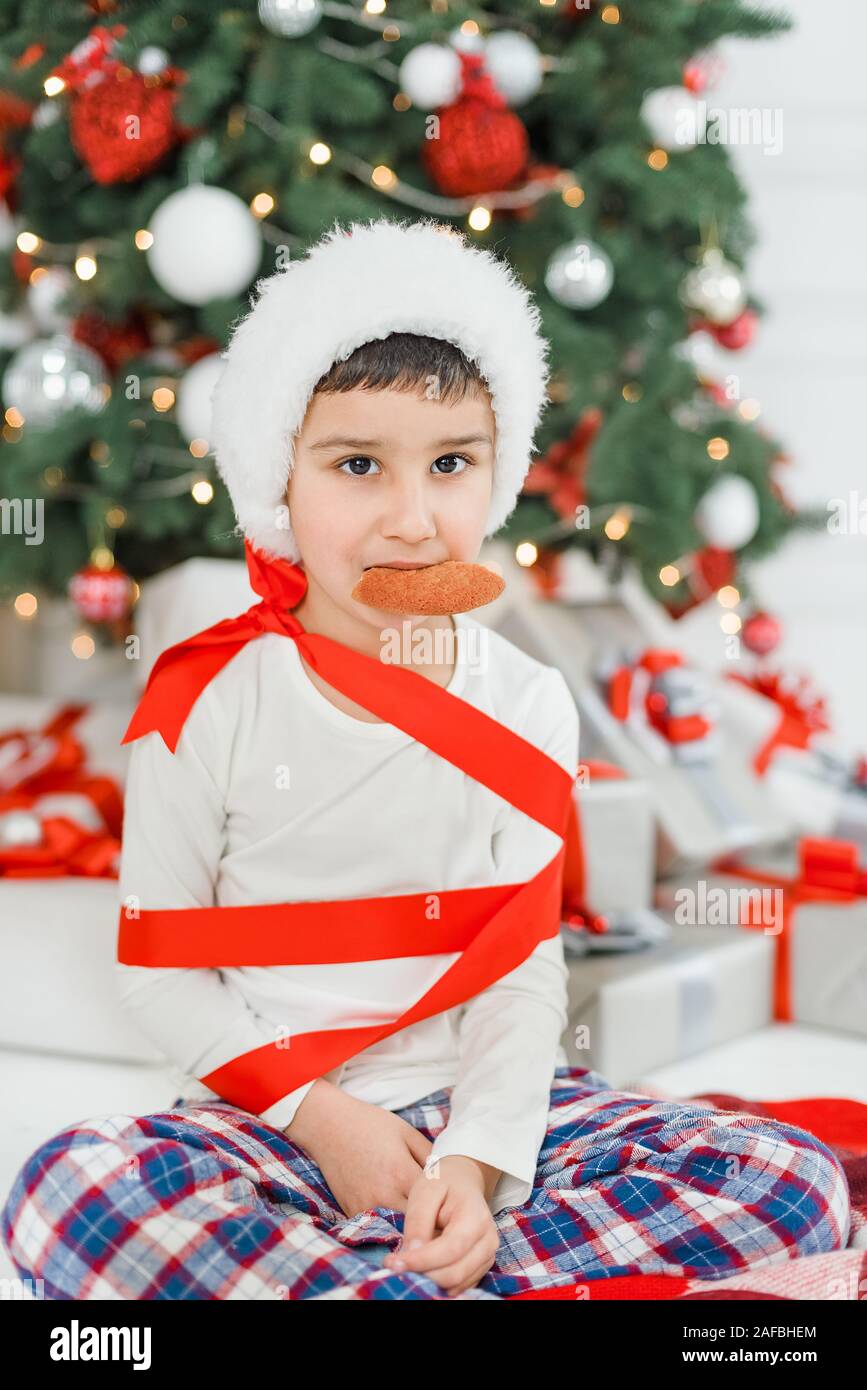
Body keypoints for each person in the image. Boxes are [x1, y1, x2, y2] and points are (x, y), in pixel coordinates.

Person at [0, 218, 851, 1301]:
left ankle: (400, 1277)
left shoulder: (527, 699)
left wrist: (479, 1158)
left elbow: (518, 965)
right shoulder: (202, 698)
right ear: (279, 483)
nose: (412, 518)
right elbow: (159, 972)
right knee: (64, 1187)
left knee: (789, 1179)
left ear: (495, 479)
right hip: (269, 1120)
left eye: (451, 464)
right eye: (359, 464)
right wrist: (327, 1119)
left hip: (474, 1105)